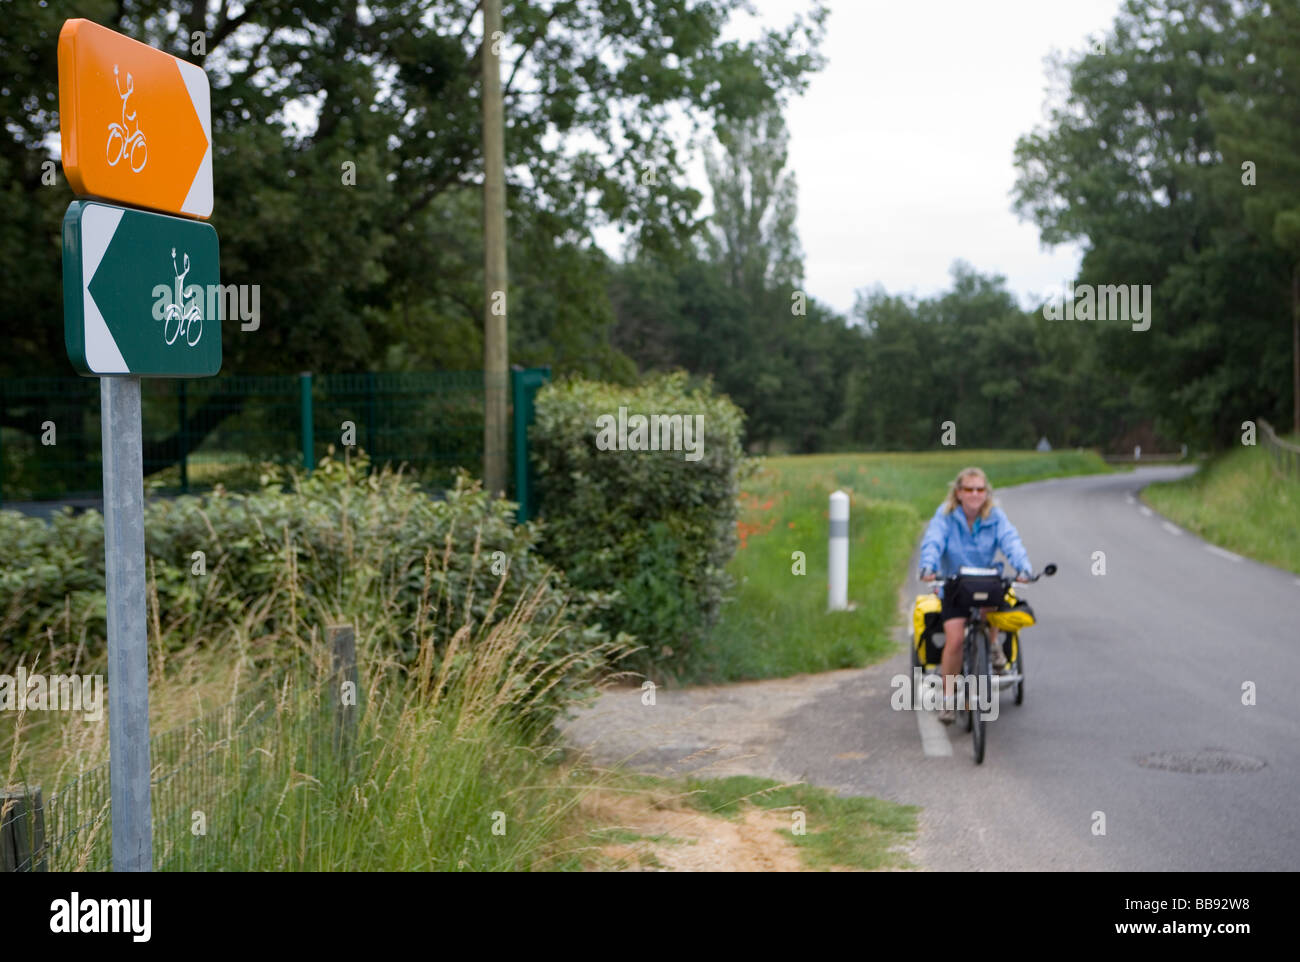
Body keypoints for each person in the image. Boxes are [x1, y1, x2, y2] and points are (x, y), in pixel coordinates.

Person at [918, 467, 1031, 725]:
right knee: (955, 639)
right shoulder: (945, 517)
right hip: (955, 585)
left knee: (995, 600)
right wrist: (928, 566)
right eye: (969, 489)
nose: (975, 494)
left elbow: (1011, 541)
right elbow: (933, 541)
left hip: (985, 581)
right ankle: (948, 700)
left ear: (986, 493)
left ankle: (991, 645)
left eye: (980, 489)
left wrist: (1023, 568)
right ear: (958, 493)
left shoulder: (995, 517)